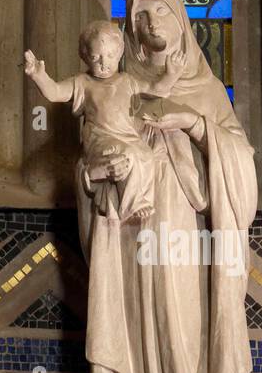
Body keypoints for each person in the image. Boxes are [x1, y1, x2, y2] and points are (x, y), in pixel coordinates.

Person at [76, 0, 257, 373]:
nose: (149, 21)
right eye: (139, 15)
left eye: (160, 10)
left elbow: (241, 174)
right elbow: (91, 156)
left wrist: (197, 125)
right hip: (131, 243)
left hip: (190, 249)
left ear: (181, 18)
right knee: (142, 347)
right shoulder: (117, 88)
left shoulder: (206, 89)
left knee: (187, 345)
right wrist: (93, 177)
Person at [24, 20, 181, 223]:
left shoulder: (127, 81)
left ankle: (141, 199)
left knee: (145, 156)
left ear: (119, 54)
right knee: (125, 156)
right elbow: (54, 93)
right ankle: (132, 205)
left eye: (110, 56)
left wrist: (171, 74)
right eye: (96, 57)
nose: (103, 63)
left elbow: (157, 89)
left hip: (128, 136)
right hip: (101, 138)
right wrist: (39, 76)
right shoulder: (83, 82)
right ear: (85, 56)